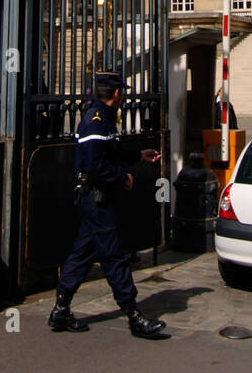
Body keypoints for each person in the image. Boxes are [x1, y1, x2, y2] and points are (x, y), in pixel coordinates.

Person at [49, 72, 168, 339]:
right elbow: (94, 166)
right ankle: (133, 315)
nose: (123, 95)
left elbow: (111, 153)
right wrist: (121, 176)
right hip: (96, 198)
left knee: (82, 253)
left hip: (98, 197)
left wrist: (138, 156)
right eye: (122, 92)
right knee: (114, 255)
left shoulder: (104, 119)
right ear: (116, 93)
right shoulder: (95, 121)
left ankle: (61, 308)